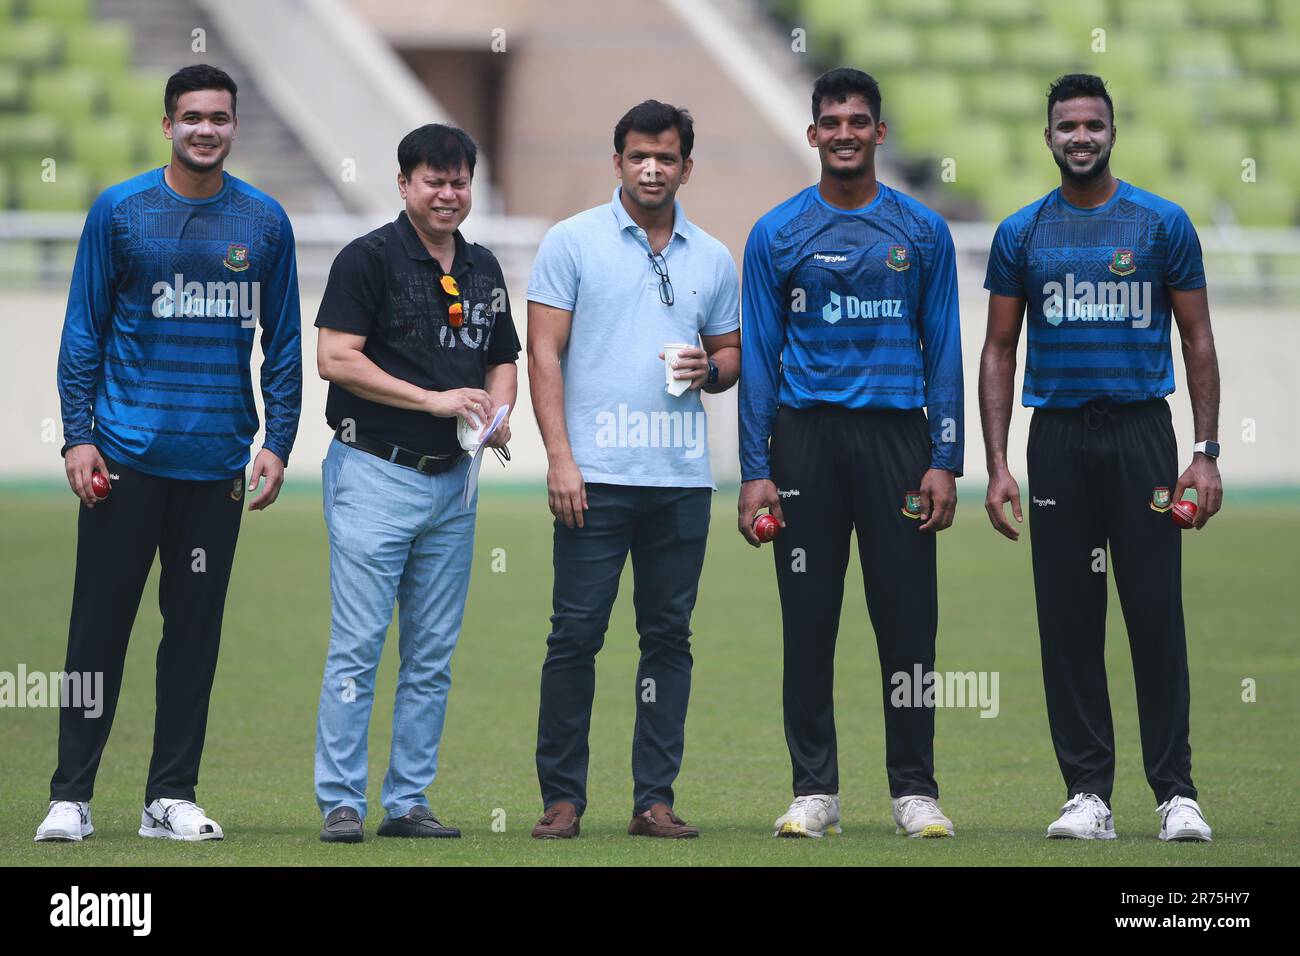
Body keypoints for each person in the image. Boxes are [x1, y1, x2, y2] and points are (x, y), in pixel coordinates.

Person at [41, 64, 302, 843]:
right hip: (122, 459)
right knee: (98, 629)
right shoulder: (120, 211)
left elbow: (282, 342)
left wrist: (277, 441)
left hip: (217, 465)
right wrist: (78, 434)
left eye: (218, 118)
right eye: (191, 117)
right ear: (168, 126)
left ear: (233, 128)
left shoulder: (264, 222)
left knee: (193, 634)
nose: (205, 130)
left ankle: (169, 797)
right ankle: (70, 796)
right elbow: (83, 331)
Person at [980, 74, 1220, 842]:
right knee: (1069, 619)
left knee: (1154, 613)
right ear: (1046, 137)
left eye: (1092, 125)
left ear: (1112, 133)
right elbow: (997, 349)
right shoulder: (1022, 233)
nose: (1080, 137)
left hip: (1142, 434)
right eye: (1066, 126)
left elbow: (1198, 341)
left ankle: (1176, 793)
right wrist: (997, 464)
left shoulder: (1161, 224)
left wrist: (1205, 452)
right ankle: (1088, 795)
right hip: (1056, 439)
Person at [739, 68, 963, 840]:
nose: (843, 132)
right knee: (808, 620)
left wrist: (946, 456)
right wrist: (755, 470)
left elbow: (945, 351)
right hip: (804, 441)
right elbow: (761, 359)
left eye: (857, 120)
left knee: (907, 622)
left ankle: (914, 791)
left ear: (879, 132)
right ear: (812, 134)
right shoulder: (776, 233)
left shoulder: (922, 231)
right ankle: (815, 792)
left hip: (898, 441)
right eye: (830, 120)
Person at [527, 100, 740, 839]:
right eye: (639, 155)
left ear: (686, 164)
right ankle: (562, 799)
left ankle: (654, 799)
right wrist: (559, 458)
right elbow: (543, 352)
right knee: (574, 637)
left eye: (667, 156)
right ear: (617, 160)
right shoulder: (570, 241)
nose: (653, 168)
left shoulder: (712, 256)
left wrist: (709, 367)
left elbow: (732, 358)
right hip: (594, 476)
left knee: (668, 638)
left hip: (680, 480)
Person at [313, 124, 519, 843]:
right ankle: (341, 800)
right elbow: (335, 359)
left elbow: (501, 359)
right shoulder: (367, 259)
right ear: (404, 185)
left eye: (459, 180)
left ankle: (407, 801)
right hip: (374, 470)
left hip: (453, 484)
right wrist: (433, 400)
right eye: (433, 180)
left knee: (431, 655)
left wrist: (497, 414)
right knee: (358, 645)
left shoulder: (484, 266)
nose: (448, 192)